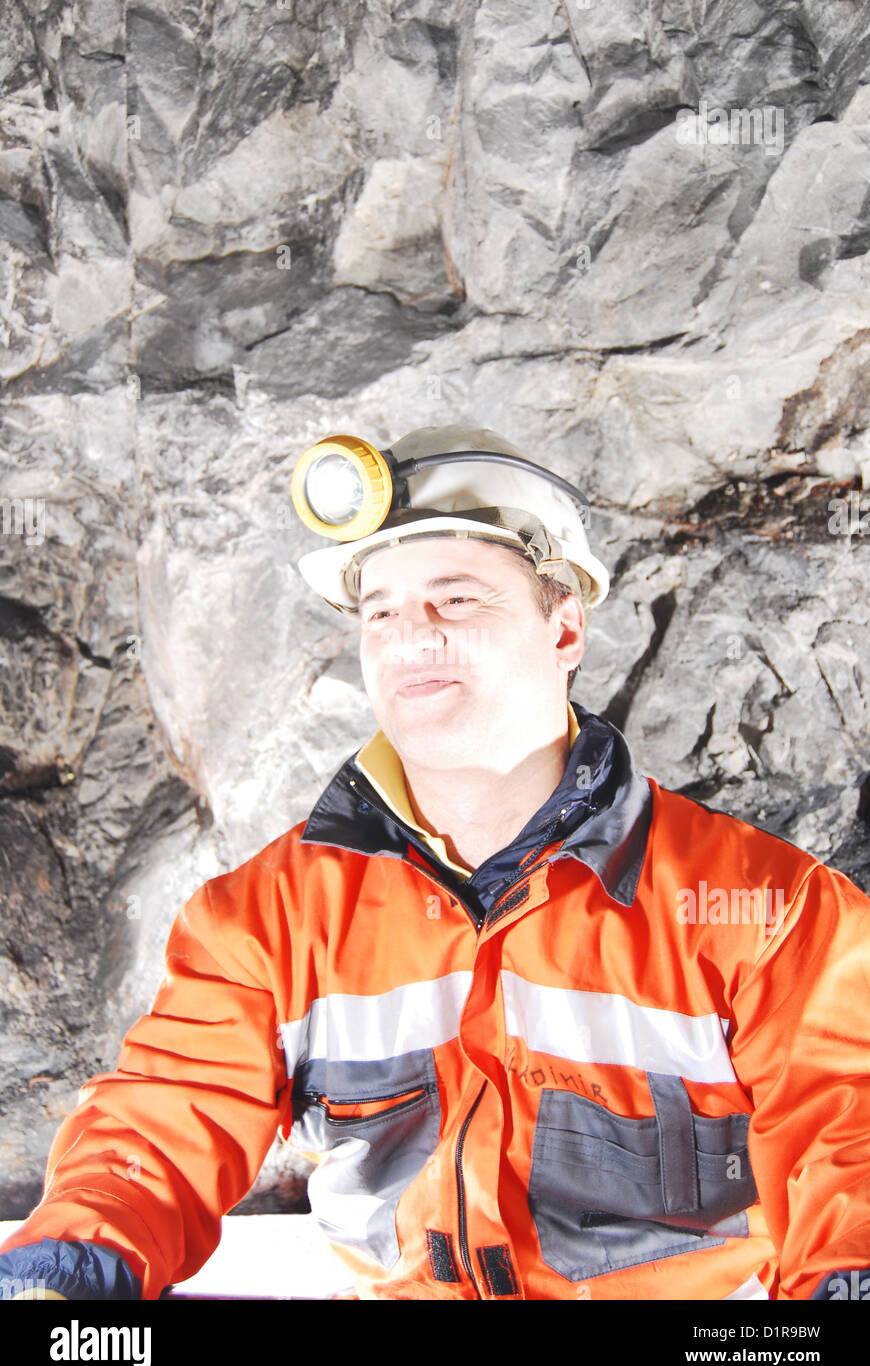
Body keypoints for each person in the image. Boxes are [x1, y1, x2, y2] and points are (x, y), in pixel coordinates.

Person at [1, 424, 868, 1302]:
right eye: (380, 609)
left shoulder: (771, 911)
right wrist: (63, 1279)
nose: (410, 633)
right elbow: (155, 1130)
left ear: (565, 627)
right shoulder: (268, 920)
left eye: (456, 600)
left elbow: (849, 1136)